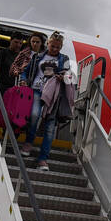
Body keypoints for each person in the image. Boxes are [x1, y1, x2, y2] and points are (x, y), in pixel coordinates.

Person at [20, 32, 71, 170]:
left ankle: (43, 159)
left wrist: (63, 76)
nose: (54, 49)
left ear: (61, 47)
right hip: (37, 90)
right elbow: (25, 70)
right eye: (52, 46)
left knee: (49, 128)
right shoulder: (37, 56)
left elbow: (68, 74)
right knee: (34, 114)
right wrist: (23, 79)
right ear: (47, 43)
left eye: (58, 47)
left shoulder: (64, 58)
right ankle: (28, 143)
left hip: (54, 95)